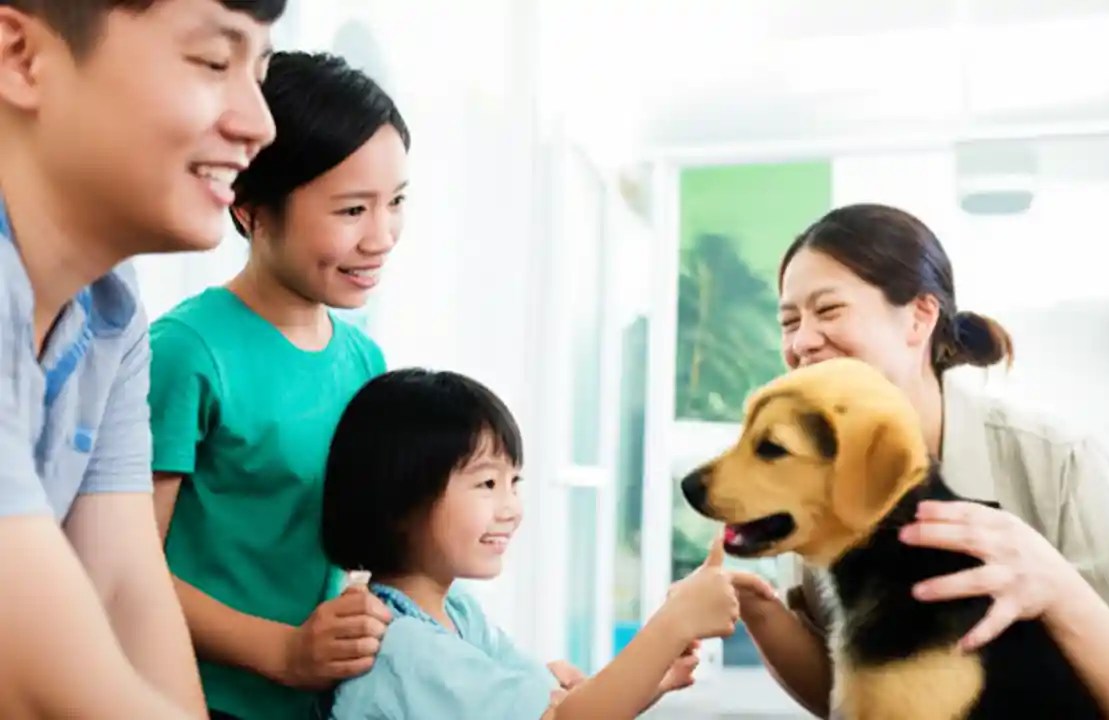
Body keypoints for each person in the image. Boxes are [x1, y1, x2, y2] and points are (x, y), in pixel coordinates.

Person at [730, 203, 1109, 719]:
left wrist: (1056, 590)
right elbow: (857, 691)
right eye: (789, 321)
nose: (803, 341)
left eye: (828, 311)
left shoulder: (1055, 460)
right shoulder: (813, 478)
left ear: (920, 316)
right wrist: (756, 607)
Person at [0, 0, 282, 717]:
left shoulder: (109, 308)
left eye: (262, 69)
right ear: (21, 58)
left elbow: (124, 586)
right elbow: (39, 682)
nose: (260, 123)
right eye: (215, 62)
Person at [147, 50, 409, 719]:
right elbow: (123, 570)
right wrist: (284, 653)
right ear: (250, 210)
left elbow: (367, 555)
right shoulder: (187, 353)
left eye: (397, 203)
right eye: (352, 210)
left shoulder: (365, 362)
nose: (382, 237)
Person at [322, 368, 740, 719]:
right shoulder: (403, 647)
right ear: (399, 499)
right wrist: (674, 622)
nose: (512, 508)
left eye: (514, 482)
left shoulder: (457, 612)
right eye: (487, 483)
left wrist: (658, 675)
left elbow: (565, 702)